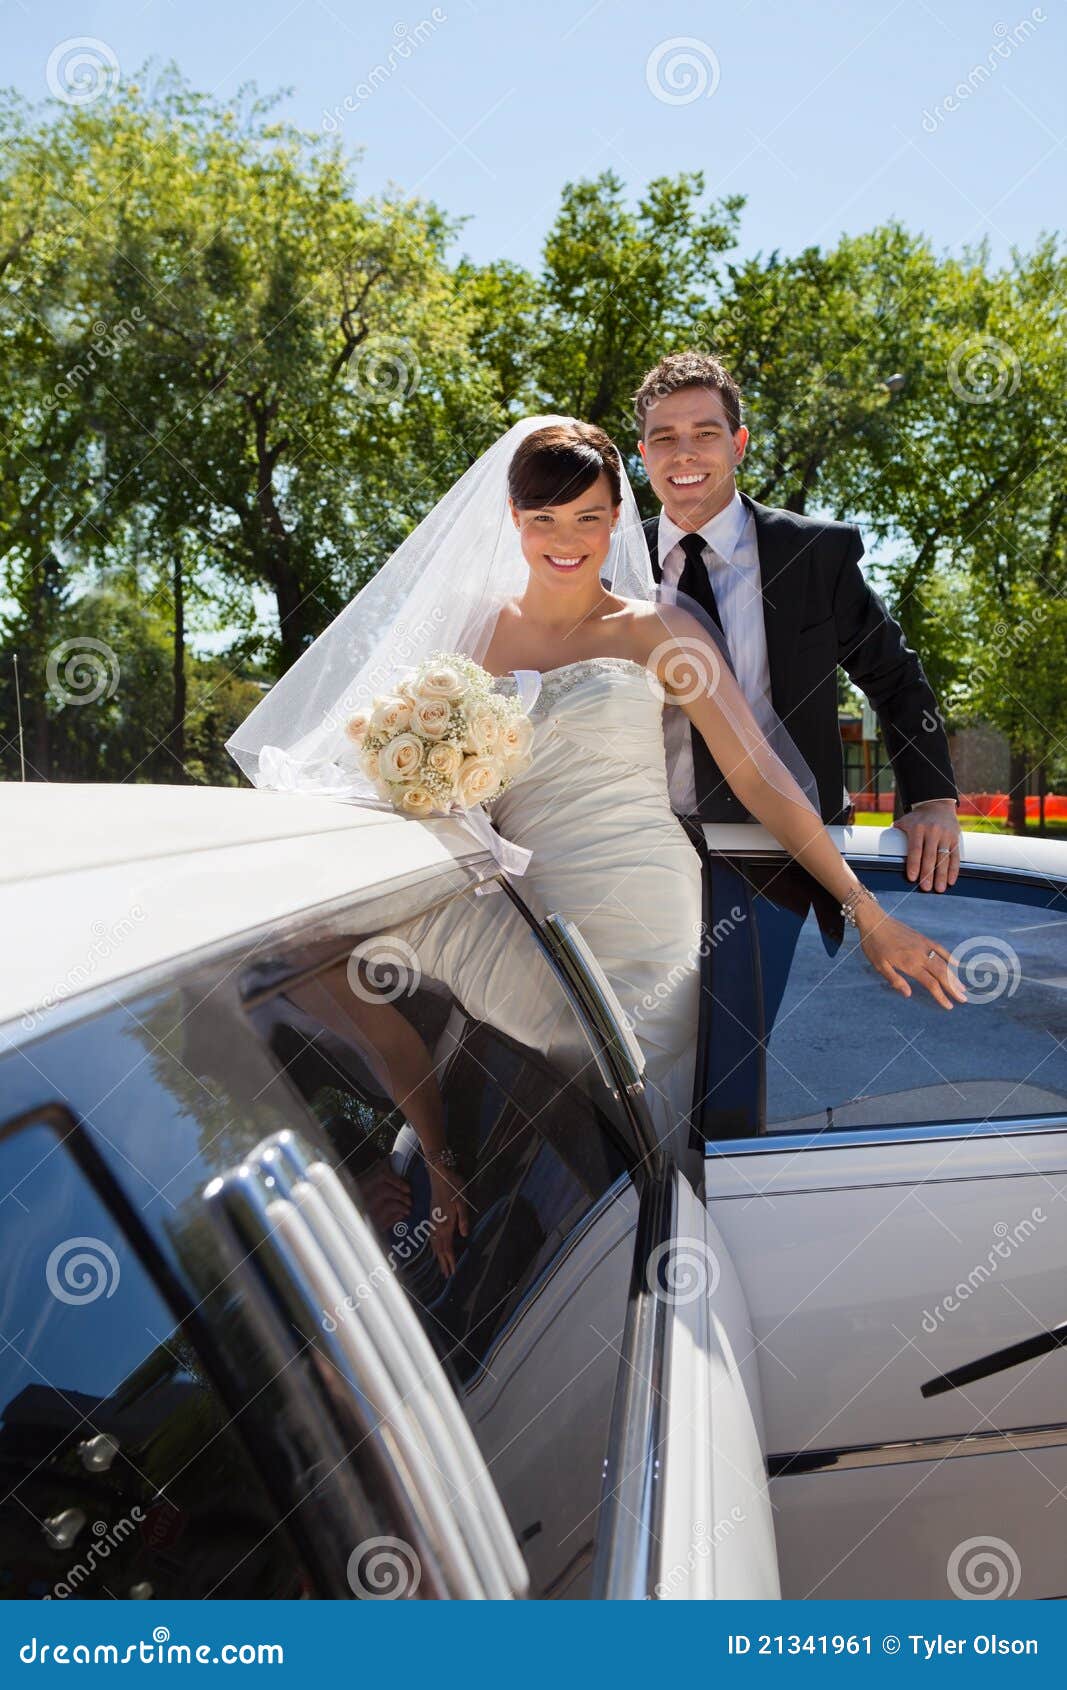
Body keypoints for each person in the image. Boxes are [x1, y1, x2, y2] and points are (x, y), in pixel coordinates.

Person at [226, 417, 965, 1274]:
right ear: (513, 519)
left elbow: (761, 778)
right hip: (524, 907)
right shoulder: (467, 641)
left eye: (587, 517)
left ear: (618, 518)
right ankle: (443, 1162)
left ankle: (663, 1295)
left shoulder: (658, 632)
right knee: (316, 944)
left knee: (633, 1126)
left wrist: (865, 911)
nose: (566, 539)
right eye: (543, 519)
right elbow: (414, 787)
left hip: (643, 912)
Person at [635, 350, 962, 895]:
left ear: (739, 445)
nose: (684, 452)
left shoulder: (814, 555)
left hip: (799, 859)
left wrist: (932, 800)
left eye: (705, 433)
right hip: (652, 859)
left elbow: (895, 677)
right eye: (664, 437)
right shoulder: (610, 566)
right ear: (644, 455)